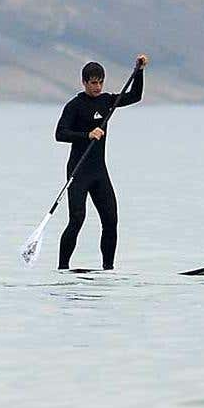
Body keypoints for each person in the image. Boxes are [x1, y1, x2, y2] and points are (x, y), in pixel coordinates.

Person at [53, 55, 148, 270]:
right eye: (93, 82)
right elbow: (60, 134)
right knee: (77, 220)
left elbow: (135, 96)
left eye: (100, 82)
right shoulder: (74, 106)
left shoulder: (106, 101)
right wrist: (87, 134)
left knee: (110, 220)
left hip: (98, 172)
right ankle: (63, 269)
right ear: (84, 82)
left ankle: (108, 269)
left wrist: (139, 72)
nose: (97, 86)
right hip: (78, 172)